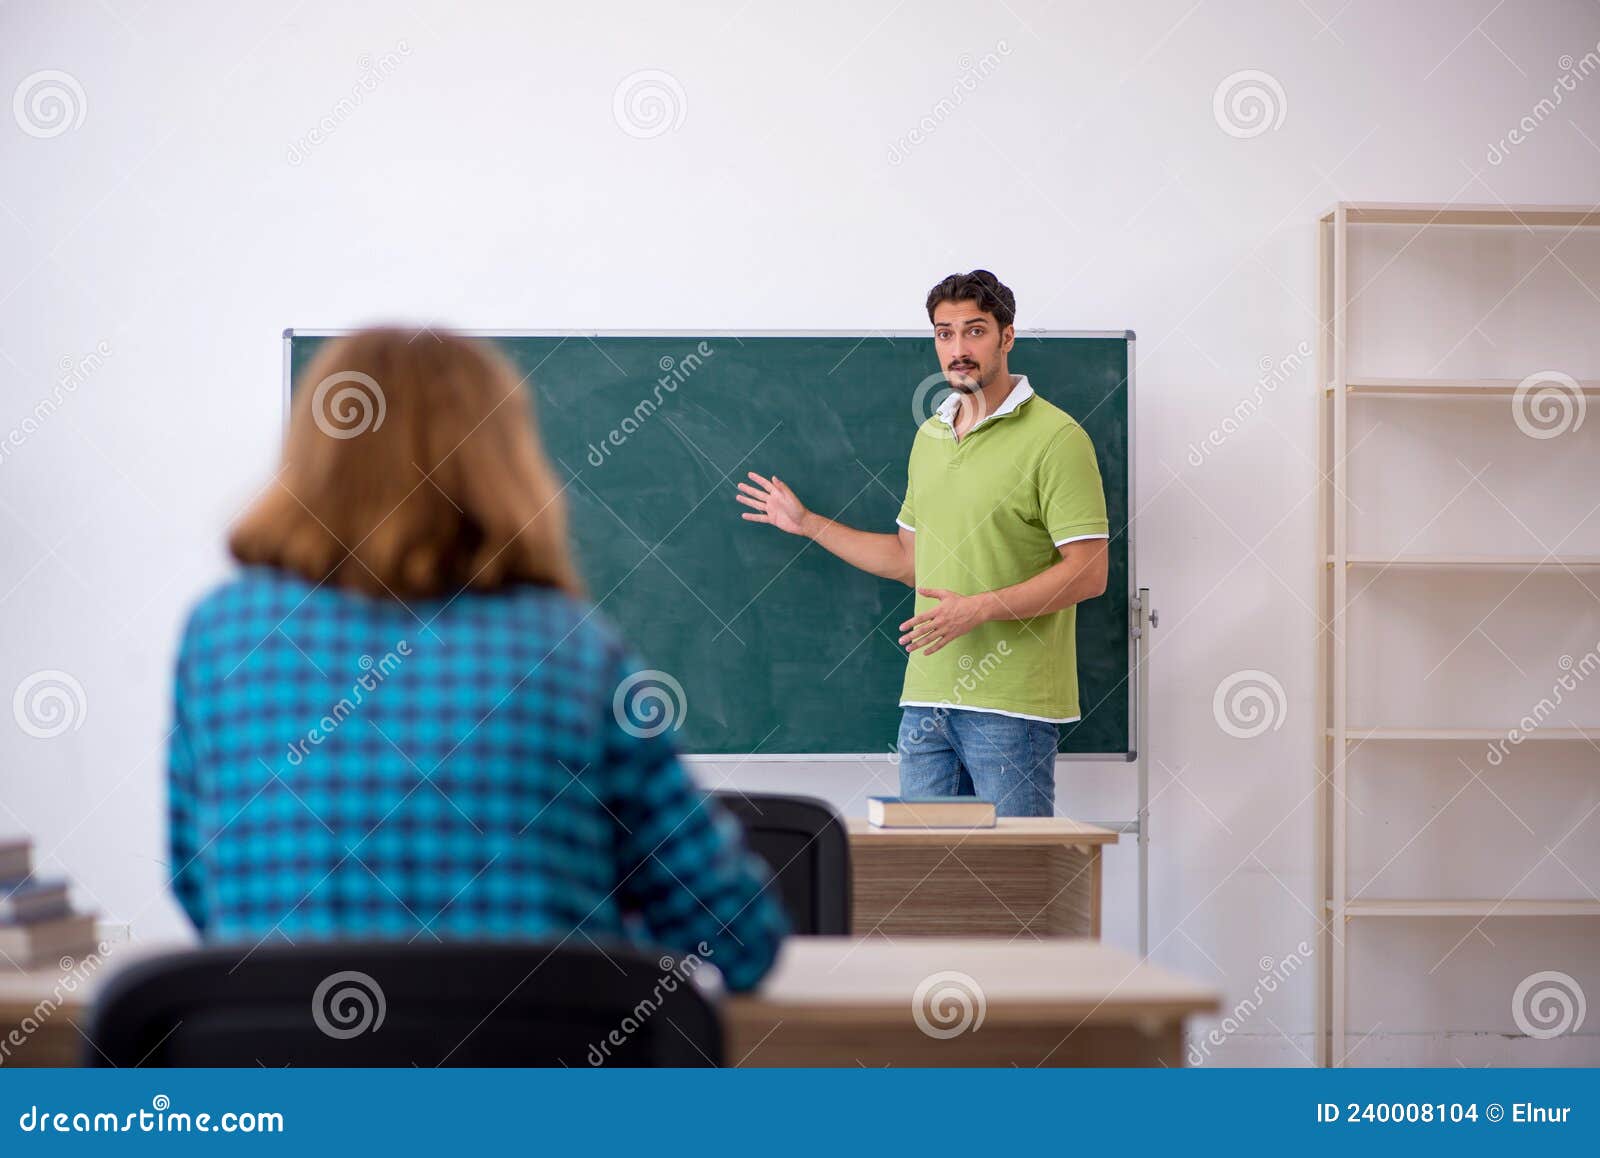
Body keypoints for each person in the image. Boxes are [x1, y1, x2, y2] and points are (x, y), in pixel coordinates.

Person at [166, 327, 787, 990]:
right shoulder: (572, 649)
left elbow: (202, 888)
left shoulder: (221, 638)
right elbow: (736, 935)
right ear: (500, 462)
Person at [738, 271, 1109, 816]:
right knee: (932, 888)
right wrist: (808, 523)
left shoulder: (1056, 438)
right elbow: (909, 560)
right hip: (926, 702)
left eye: (975, 331)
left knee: (1014, 885)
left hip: (1011, 707)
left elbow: (1089, 571)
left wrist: (979, 609)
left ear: (1007, 336)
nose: (957, 349)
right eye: (944, 333)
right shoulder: (930, 437)